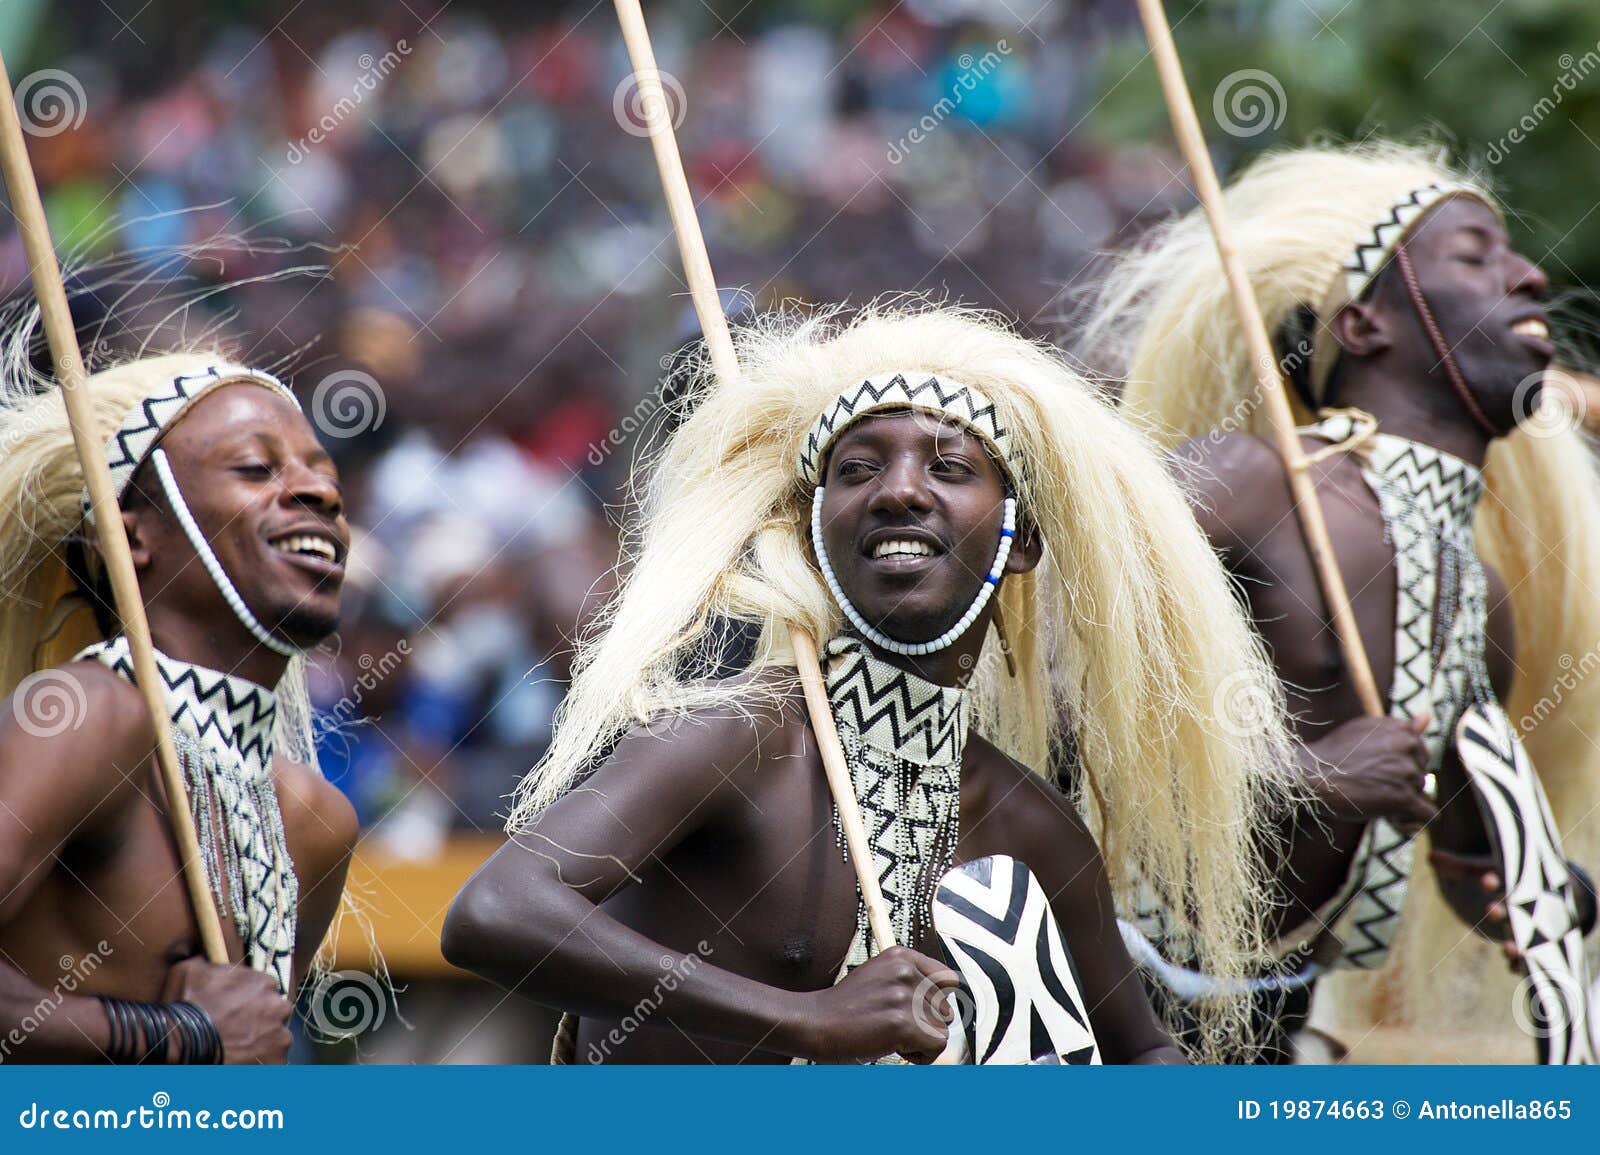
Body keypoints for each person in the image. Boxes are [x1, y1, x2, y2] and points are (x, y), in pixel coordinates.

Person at [443, 300, 1292, 1064]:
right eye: (856, 470)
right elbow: (495, 912)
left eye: (950, 468)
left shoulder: (1029, 824)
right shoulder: (744, 735)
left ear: (1019, 541)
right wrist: (808, 1020)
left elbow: (1143, 1054)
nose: (898, 491)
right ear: (815, 537)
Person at [1084, 141, 1600, 1062]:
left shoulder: (1477, 601)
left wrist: (1535, 890)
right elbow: (1056, 676)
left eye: (1512, 255)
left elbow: (1463, 849)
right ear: (1362, 328)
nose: (1527, 276)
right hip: (1101, 1011)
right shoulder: (1248, 482)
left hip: (1279, 1033)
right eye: (1477, 255)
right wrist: (1301, 778)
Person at [0, 350, 358, 1062]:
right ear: (128, 536)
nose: (318, 494)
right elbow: (211, 1045)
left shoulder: (313, 821)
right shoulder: (87, 713)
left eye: (327, 476)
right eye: (257, 469)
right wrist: (177, 1036)